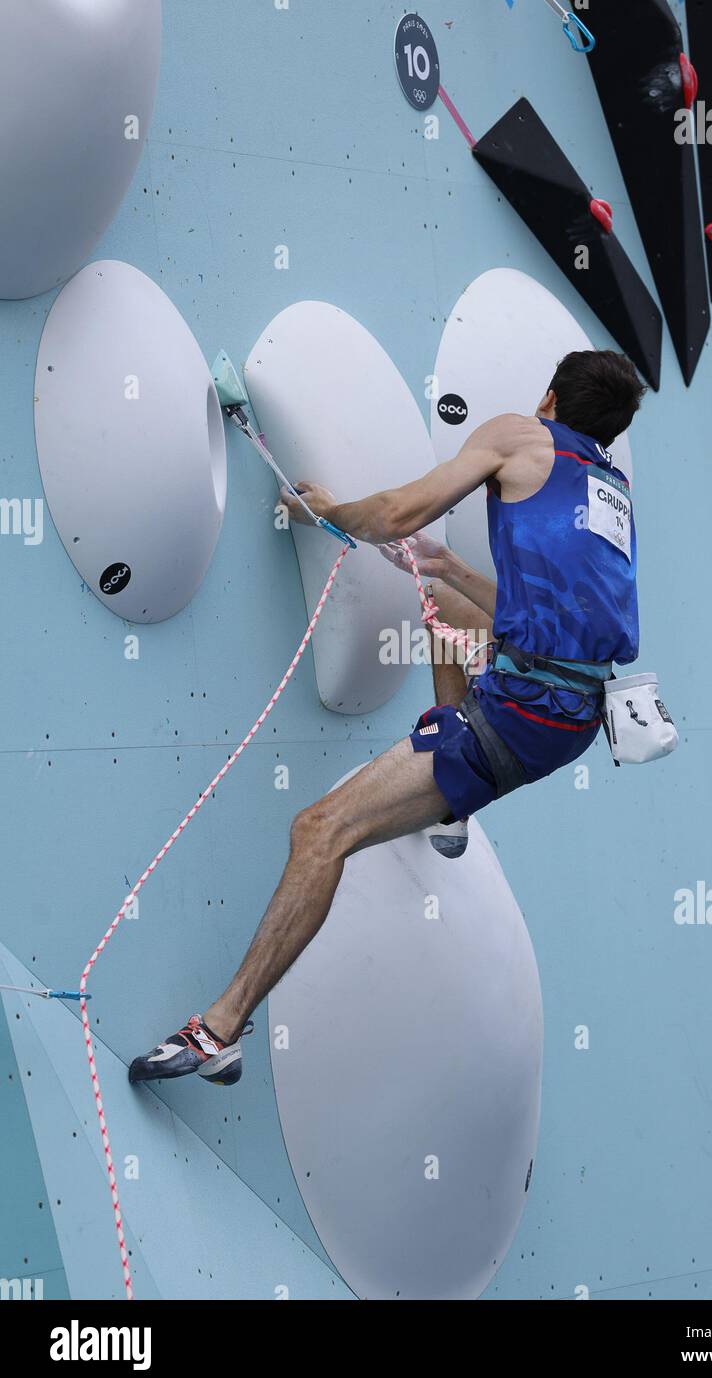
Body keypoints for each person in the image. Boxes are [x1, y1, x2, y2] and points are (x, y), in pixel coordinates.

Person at [129, 349, 646, 1085]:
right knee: (445, 612)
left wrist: (328, 510)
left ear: (550, 397)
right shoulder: (611, 488)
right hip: (572, 711)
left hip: (522, 716)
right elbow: (551, 623)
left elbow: (398, 512)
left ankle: (219, 1031)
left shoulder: (520, 435)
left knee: (319, 830)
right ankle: (449, 804)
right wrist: (451, 569)